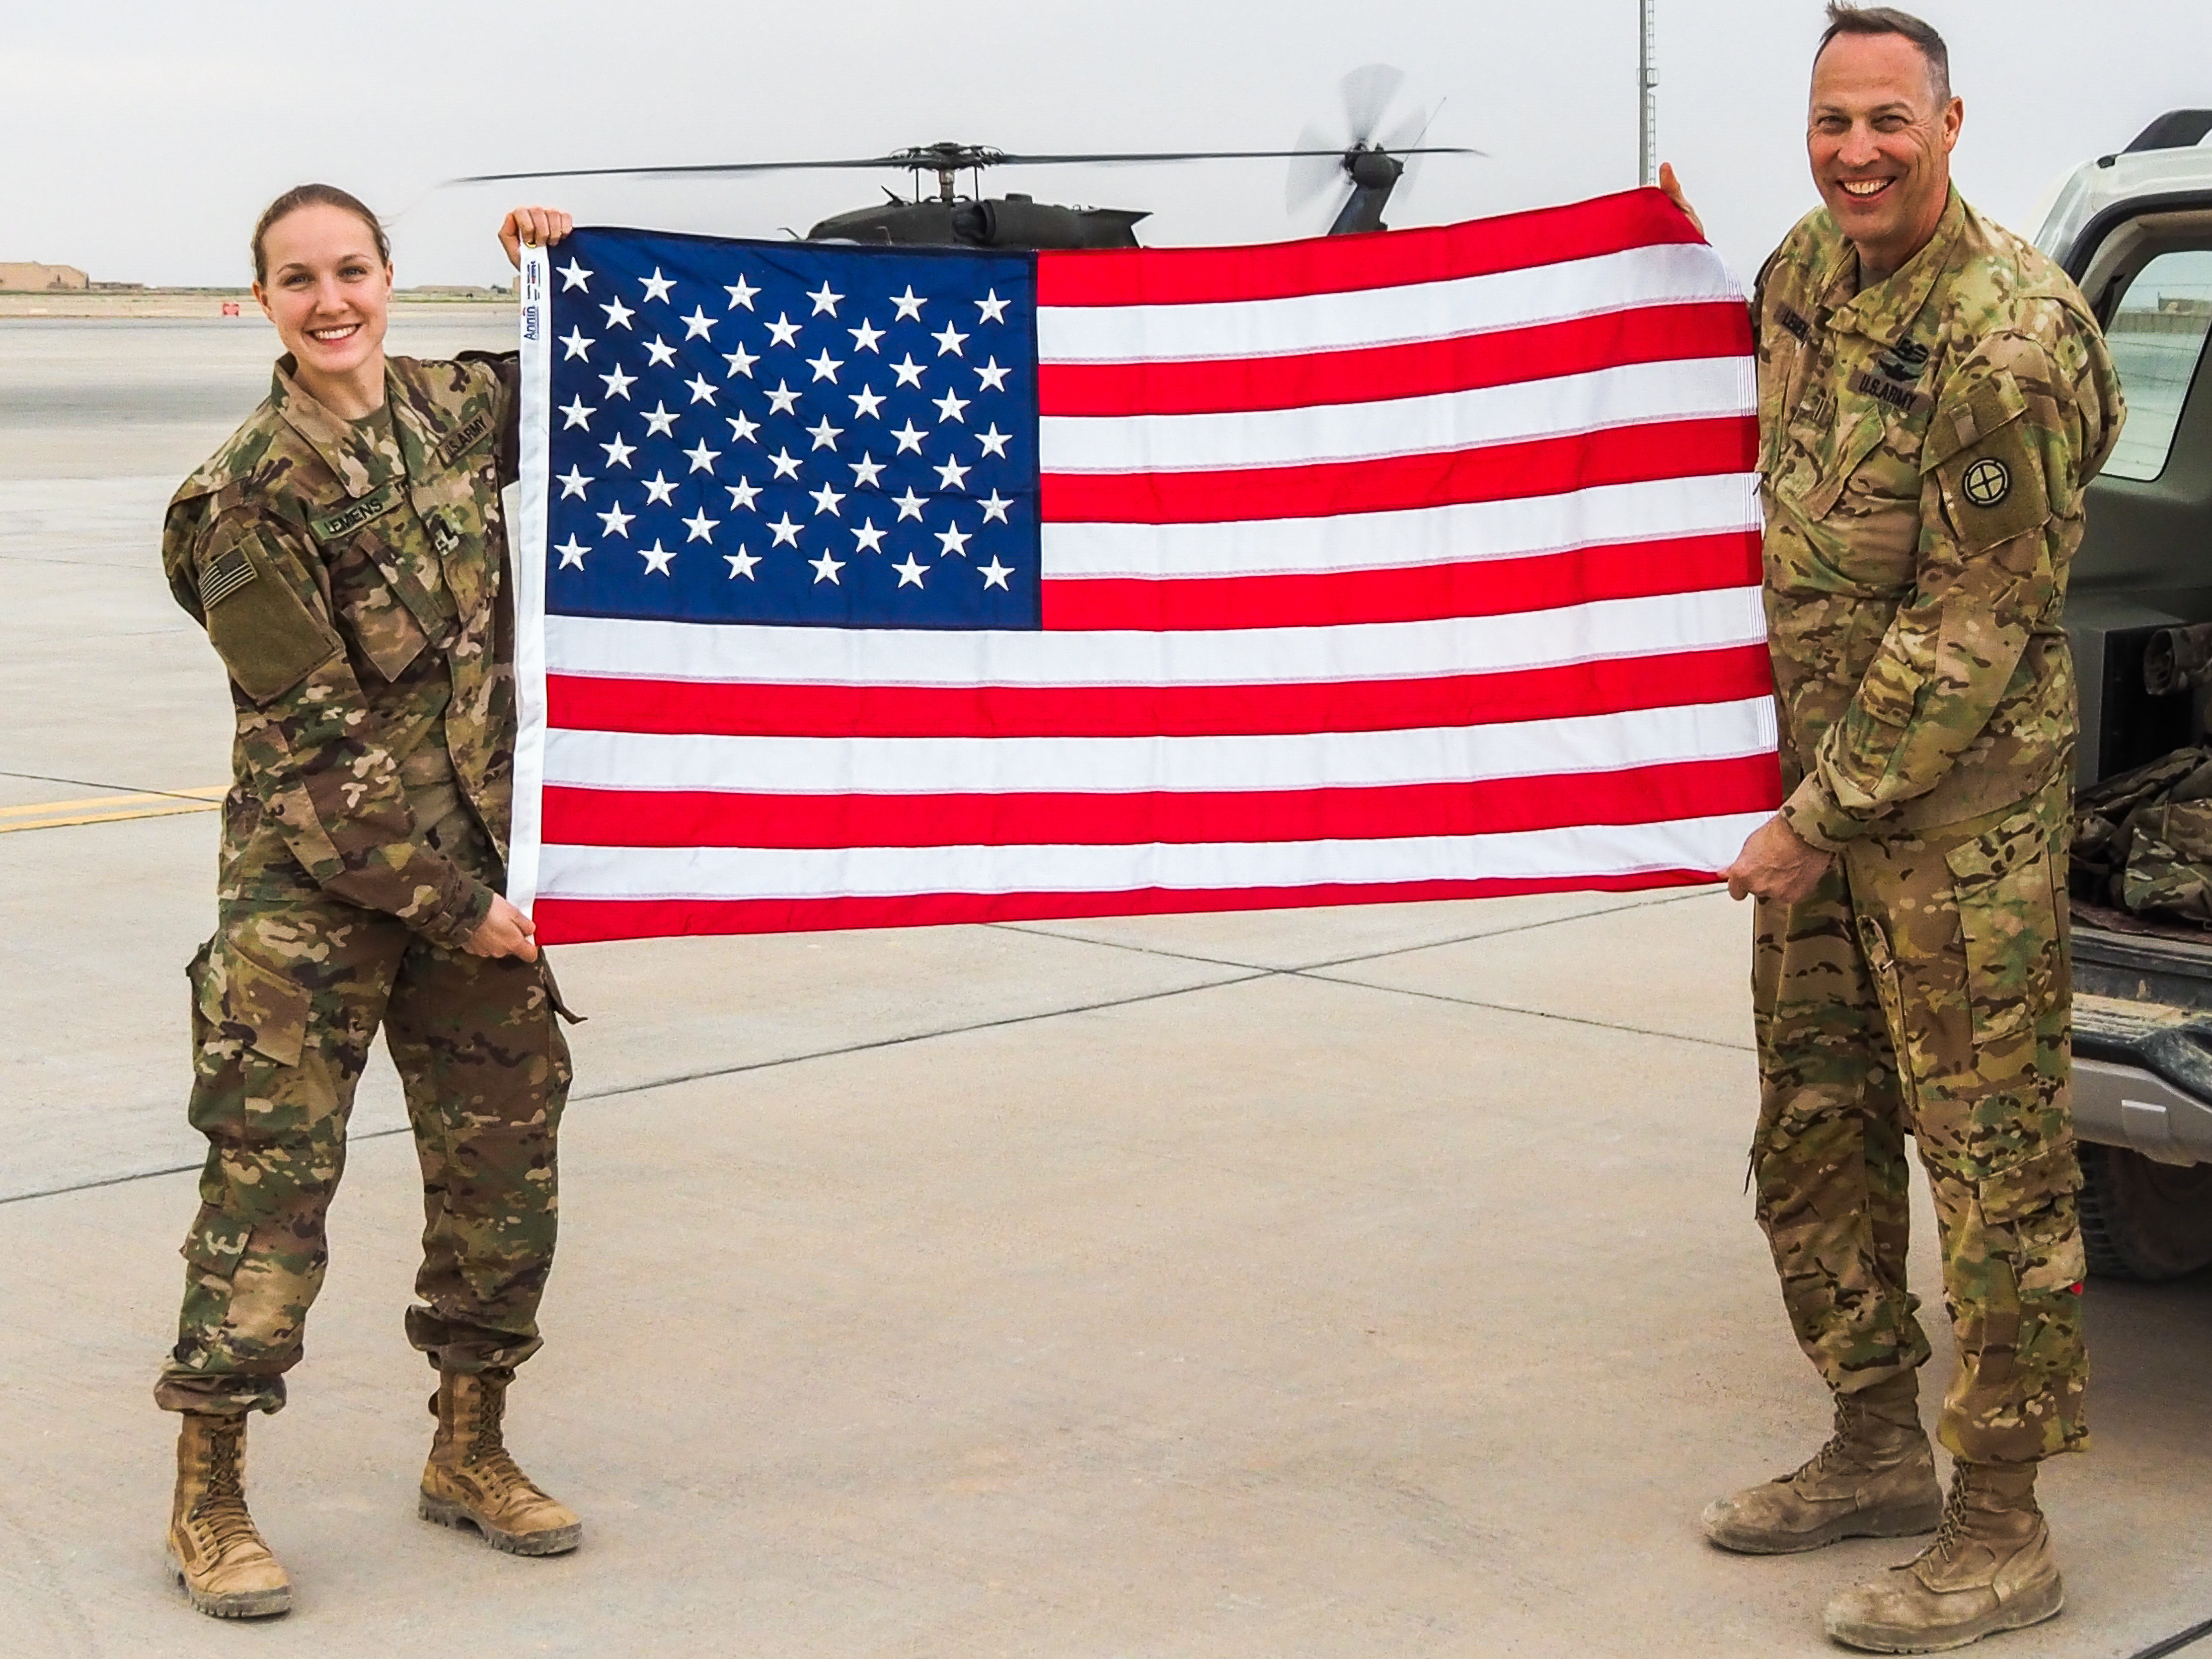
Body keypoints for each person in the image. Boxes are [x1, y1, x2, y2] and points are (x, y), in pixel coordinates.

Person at [1664, 6, 2124, 1652]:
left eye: (1888, 122)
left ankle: (2001, 1527)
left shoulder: (2017, 336)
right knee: (1818, 1129)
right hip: (1818, 809)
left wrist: (1816, 811)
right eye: (1831, 118)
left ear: (1950, 124)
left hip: (1956, 831)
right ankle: (1869, 1444)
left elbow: (1973, 624)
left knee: (1993, 1172)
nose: (1857, 150)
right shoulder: (1802, 273)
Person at [155, 184, 579, 1619]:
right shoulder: (244, 499)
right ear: (264, 302)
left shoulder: (452, 412)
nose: (329, 299)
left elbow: (608, 380)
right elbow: (320, 757)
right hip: (315, 902)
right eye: (297, 279)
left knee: (503, 1183)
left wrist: (567, 269)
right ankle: (208, 1493)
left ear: (391, 277)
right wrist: (462, 905)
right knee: (268, 1204)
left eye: (351, 270)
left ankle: (471, 1447)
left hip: (477, 881)